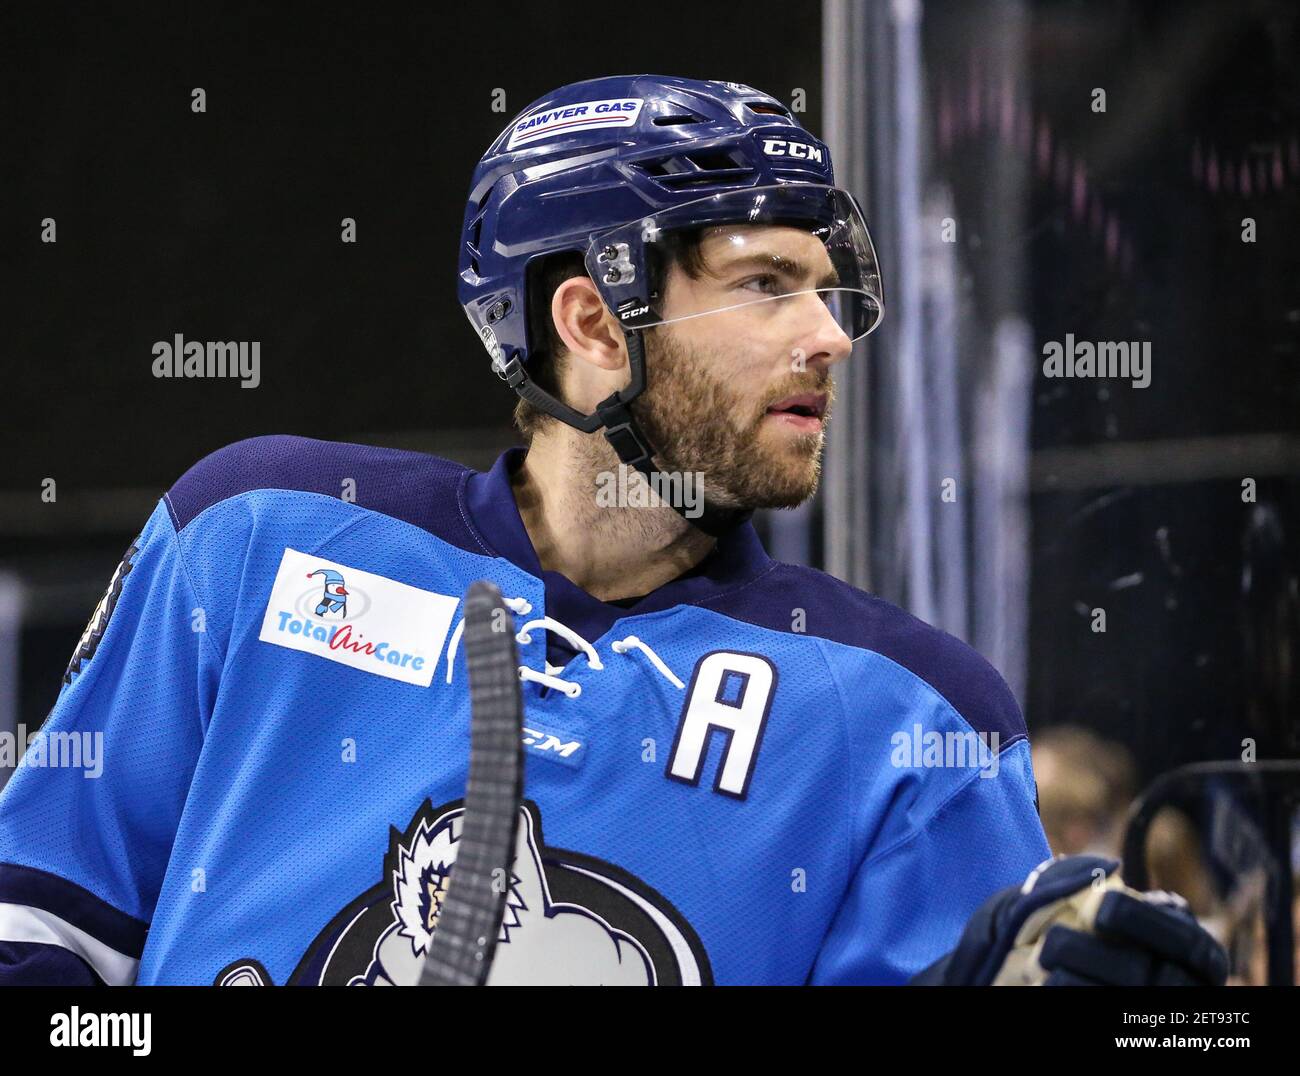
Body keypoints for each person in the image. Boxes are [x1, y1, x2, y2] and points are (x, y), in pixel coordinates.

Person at [0, 74, 1223, 986]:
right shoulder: (262, 537)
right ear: (591, 321)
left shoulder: (913, 720)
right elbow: (40, 935)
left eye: (828, 287)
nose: (830, 335)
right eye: (762, 283)